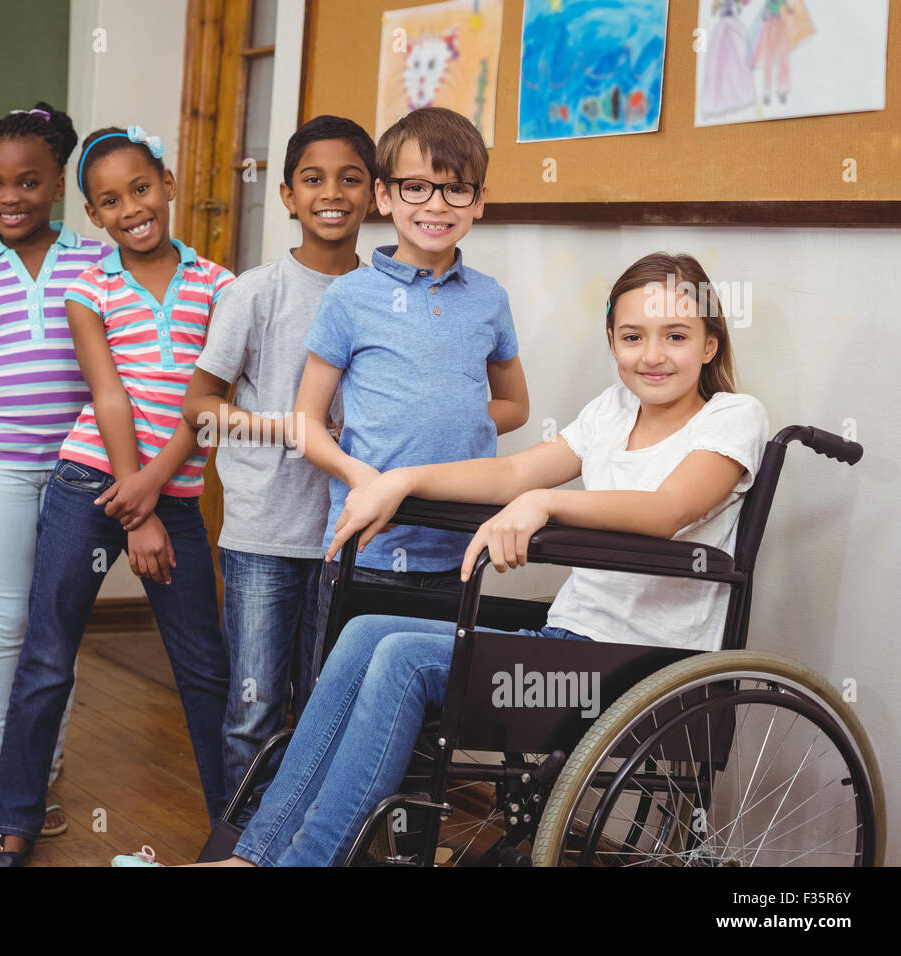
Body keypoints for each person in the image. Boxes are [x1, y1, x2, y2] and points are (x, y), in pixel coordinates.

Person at [112, 251, 769, 866]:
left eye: (676, 335)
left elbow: (668, 510)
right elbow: (511, 472)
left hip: (643, 668)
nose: (653, 355)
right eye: (633, 336)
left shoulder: (733, 416)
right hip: (571, 645)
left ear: (709, 344)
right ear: (613, 343)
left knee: (402, 657)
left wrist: (546, 505)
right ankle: (251, 856)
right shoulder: (612, 410)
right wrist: (402, 481)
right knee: (368, 631)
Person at [0, 124, 232, 866]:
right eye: (110, 201)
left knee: (204, 667)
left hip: (170, 496)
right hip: (88, 480)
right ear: (93, 214)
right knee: (47, 655)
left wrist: (153, 495)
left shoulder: (220, 287)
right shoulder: (90, 289)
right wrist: (133, 493)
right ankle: (12, 816)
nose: (131, 210)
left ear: (170, 186)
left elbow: (207, 400)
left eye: (142, 190)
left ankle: (236, 831)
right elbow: (109, 396)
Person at [293, 106, 529, 695]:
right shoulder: (350, 298)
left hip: (458, 549)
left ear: (478, 202)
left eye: (456, 189)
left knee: (426, 710)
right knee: (341, 701)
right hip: (366, 548)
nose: (436, 204)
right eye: (416, 187)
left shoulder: (489, 299)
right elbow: (305, 422)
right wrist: (362, 475)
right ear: (384, 195)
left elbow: (515, 406)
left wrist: (456, 429)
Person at [181, 115, 376, 819]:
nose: (333, 193)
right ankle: (240, 844)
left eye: (351, 178)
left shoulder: (386, 294)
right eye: (314, 179)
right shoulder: (254, 292)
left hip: (350, 535)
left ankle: (303, 843)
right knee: (253, 711)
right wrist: (287, 428)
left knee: (329, 705)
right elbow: (199, 407)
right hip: (264, 534)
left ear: (376, 194)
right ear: (289, 196)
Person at [0, 104, 111, 829]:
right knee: (4, 618)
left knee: (57, 624)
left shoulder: (99, 263)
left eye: (28, 182)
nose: (10, 198)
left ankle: (37, 765)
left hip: (81, 469)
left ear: (58, 186)